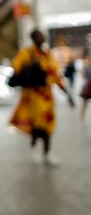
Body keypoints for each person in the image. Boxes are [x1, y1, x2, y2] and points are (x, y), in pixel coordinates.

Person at [8, 28, 74, 165]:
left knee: (47, 124)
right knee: (40, 124)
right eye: (38, 36)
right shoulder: (27, 53)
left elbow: (55, 76)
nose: (41, 38)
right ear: (33, 38)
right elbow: (17, 68)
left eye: (42, 36)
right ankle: (41, 151)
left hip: (47, 96)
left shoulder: (47, 54)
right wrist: (31, 65)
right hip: (32, 96)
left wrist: (67, 94)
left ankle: (44, 152)